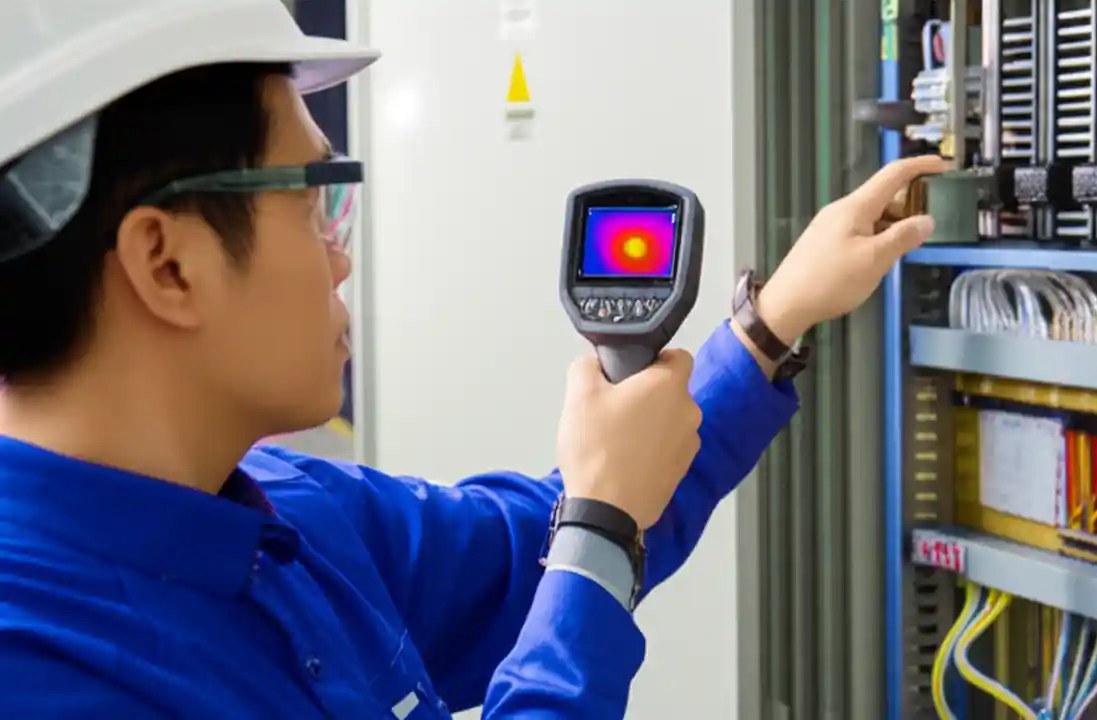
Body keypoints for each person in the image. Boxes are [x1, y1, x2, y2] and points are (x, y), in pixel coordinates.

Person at [0, 1, 946, 717]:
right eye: (310, 199)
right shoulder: (38, 663)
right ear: (169, 263)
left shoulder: (284, 511)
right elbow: (589, 529)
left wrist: (774, 321)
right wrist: (600, 531)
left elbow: (543, 540)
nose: (342, 253)